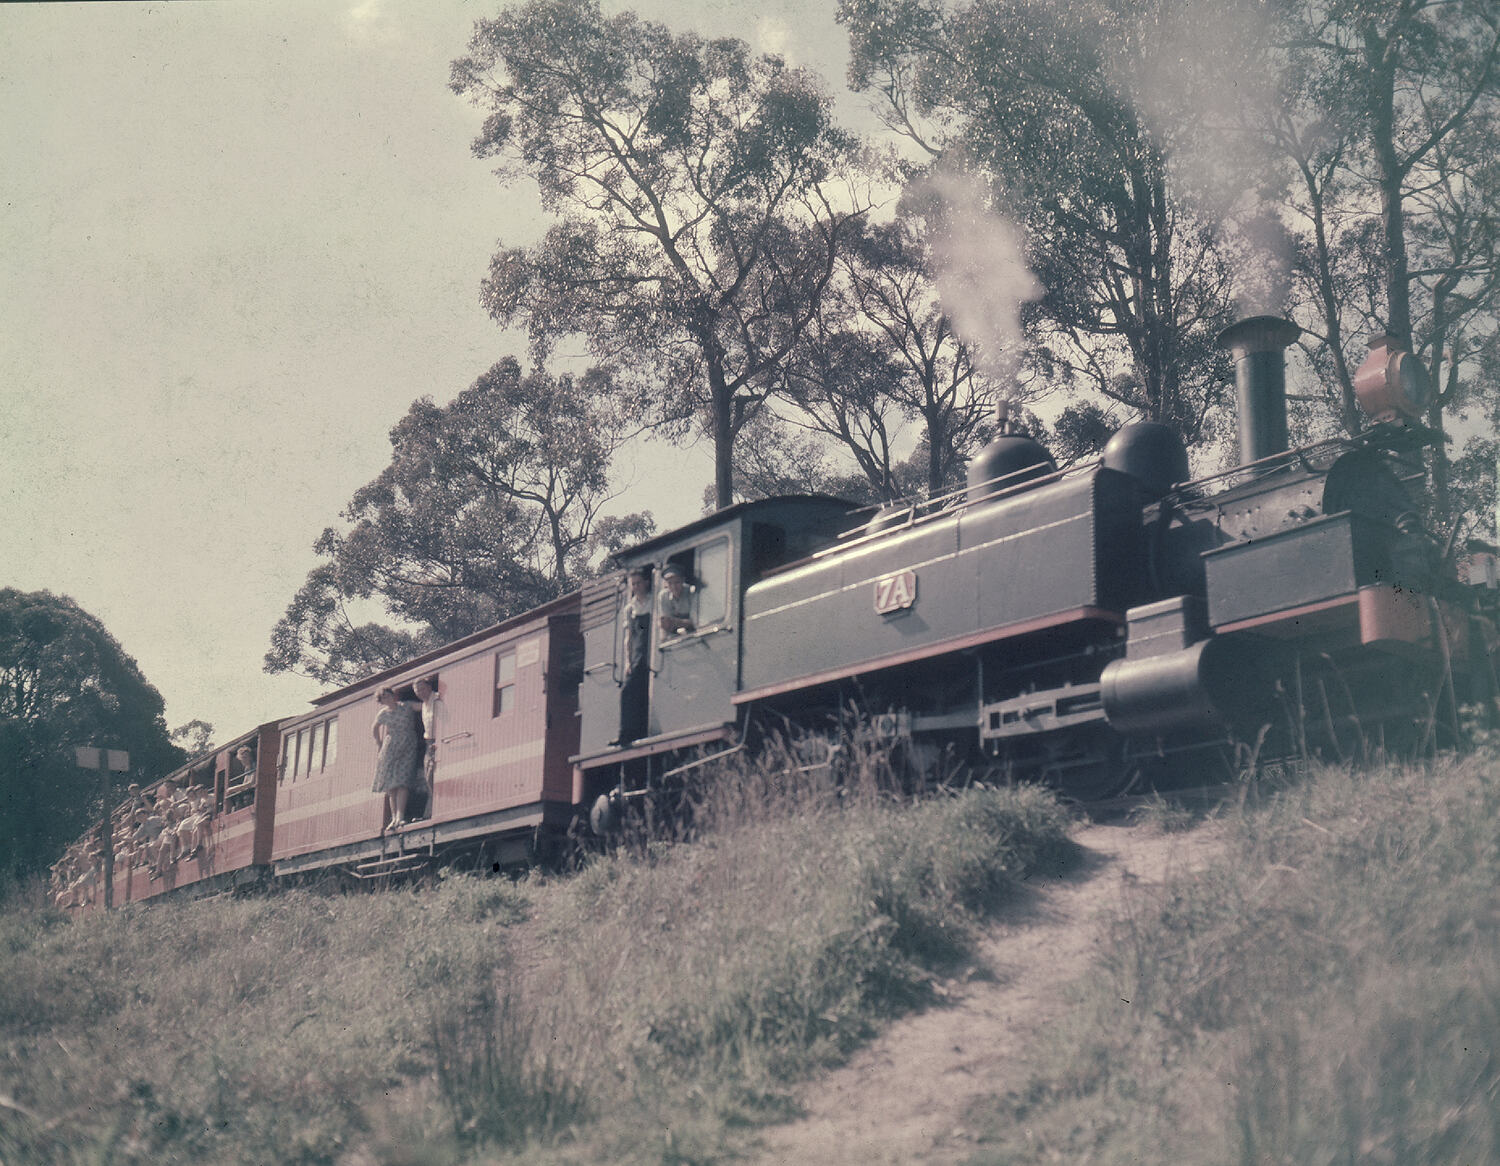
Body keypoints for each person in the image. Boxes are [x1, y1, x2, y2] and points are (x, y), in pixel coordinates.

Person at [371, 686, 424, 831]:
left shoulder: (406, 706)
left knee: (403, 782)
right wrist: (379, 743)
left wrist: (435, 696)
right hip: (391, 748)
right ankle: (394, 818)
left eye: (388, 695)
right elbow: (374, 728)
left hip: (407, 746)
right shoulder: (383, 713)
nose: (387, 699)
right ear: (381, 701)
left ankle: (400, 817)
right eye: (383, 698)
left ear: (393, 695)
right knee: (392, 786)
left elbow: (424, 705)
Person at [618, 569, 653, 745]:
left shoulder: (654, 602)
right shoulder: (630, 608)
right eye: (633, 584)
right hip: (638, 651)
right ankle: (625, 734)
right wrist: (627, 661)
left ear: (646, 583)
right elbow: (629, 637)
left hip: (651, 649)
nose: (636, 587)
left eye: (638, 583)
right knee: (628, 690)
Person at [412, 677, 445, 808]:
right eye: (417, 691)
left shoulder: (436, 701)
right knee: (427, 776)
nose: (420, 692)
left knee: (432, 774)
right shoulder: (424, 705)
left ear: (429, 687)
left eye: (422, 689)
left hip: (436, 741)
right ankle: (430, 808)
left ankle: (433, 808)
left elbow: (443, 721)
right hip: (428, 742)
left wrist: (438, 740)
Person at [656, 563, 695, 636]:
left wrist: (675, 622)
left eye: (677, 582)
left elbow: (697, 622)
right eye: (670, 583)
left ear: (683, 580)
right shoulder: (663, 596)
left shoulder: (691, 592)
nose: (674, 587)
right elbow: (666, 624)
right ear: (665, 584)